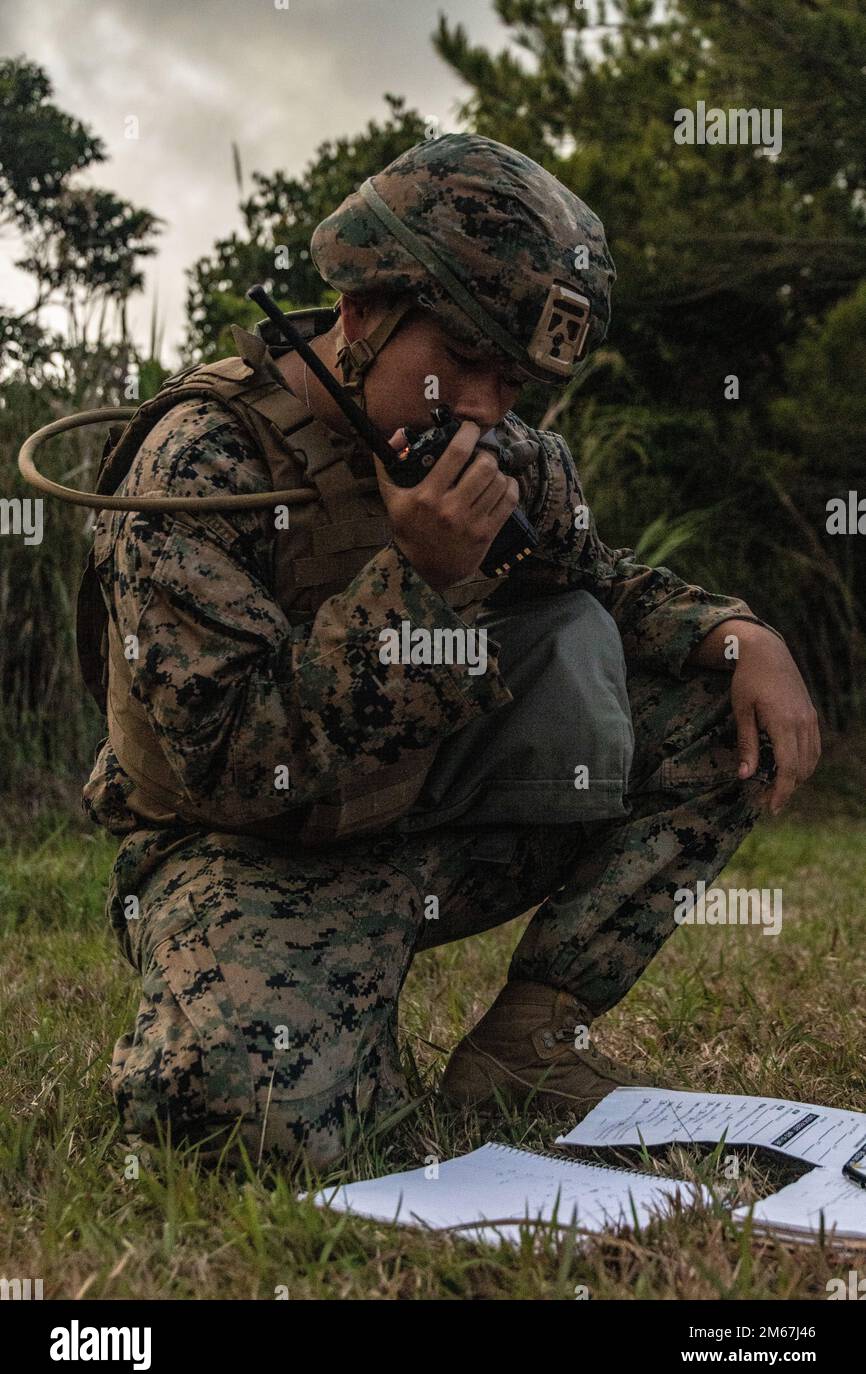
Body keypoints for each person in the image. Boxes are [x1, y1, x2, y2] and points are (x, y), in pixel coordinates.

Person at [81, 133, 820, 1171]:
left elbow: (594, 579)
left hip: (423, 824)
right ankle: (323, 1012)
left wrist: (739, 634)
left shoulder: (490, 450)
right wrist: (413, 577)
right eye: (464, 360)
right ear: (361, 313)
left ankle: (530, 1043)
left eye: (511, 381)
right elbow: (233, 765)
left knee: (718, 714)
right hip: (242, 852)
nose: (483, 405)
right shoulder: (201, 463)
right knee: (231, 1117)